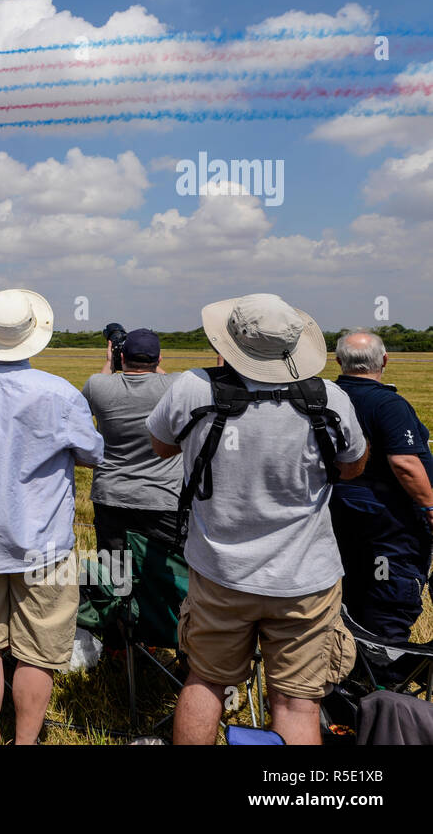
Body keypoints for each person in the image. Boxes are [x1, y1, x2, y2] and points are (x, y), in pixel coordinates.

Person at [148, 293, 368, 745]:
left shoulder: (193, 387)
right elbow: (353, 466)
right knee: (296, 703)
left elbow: (161, 445)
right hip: (306, 579)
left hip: (219, 572)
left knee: (207, 682)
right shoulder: (329, 398)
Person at [0, 288, 103, 745]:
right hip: (44, 543)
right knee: (40, 651)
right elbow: (94, 453)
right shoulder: (59, 392)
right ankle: (25, 742)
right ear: (35, 336)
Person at [330, 331, 433, 648]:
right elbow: (404, 462)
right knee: (385, 600)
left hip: (335, 516)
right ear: (385, 360)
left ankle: (350, 674)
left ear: (338, 361)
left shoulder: (328, 396)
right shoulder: (387, 403)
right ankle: (383, 684)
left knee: (348, 597)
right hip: (387, 525)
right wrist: (430, 507)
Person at [81, 329, 183, 562]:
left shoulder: (97, 385)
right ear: (159, 358)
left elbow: (82, 414)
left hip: (112, 495)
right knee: (161, 575)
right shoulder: (176, 385)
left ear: (121, 357)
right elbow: (167, 379)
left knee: (114, 573)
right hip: (164, 497)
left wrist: (110, 362)